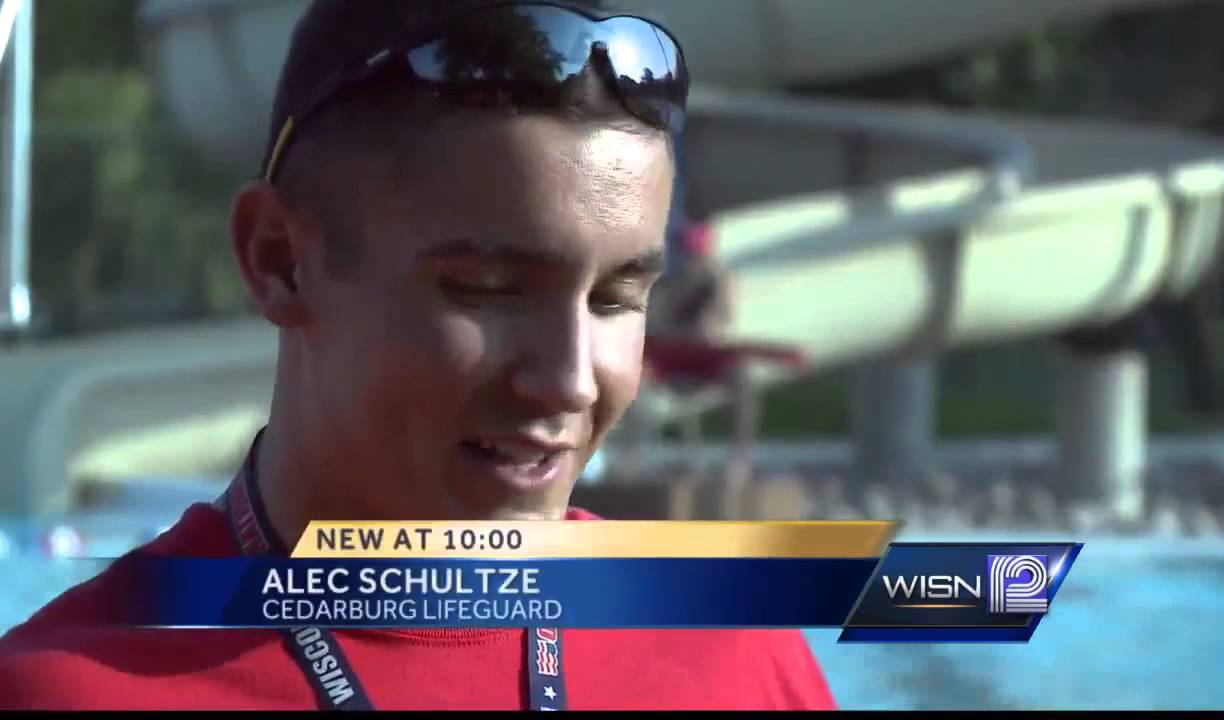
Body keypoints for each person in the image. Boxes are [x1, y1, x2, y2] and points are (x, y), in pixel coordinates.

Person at [0, 0, 835, 711]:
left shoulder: (735, 656)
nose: (570, 379)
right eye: (491, 290)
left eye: (616, 298)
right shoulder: (67, 688)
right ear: (279, 260)